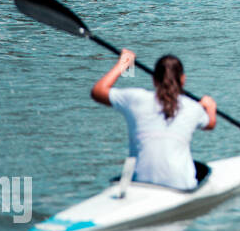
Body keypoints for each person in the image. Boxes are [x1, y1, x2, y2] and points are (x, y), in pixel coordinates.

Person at [91, 50, 217, 191]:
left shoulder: (135, 98)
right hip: (181, 185)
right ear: (183, 79)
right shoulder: (193, 107)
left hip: (140, 183)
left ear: (154, 80)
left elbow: (97, 91)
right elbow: (210, 124)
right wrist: (210, 106)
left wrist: (123, 64)